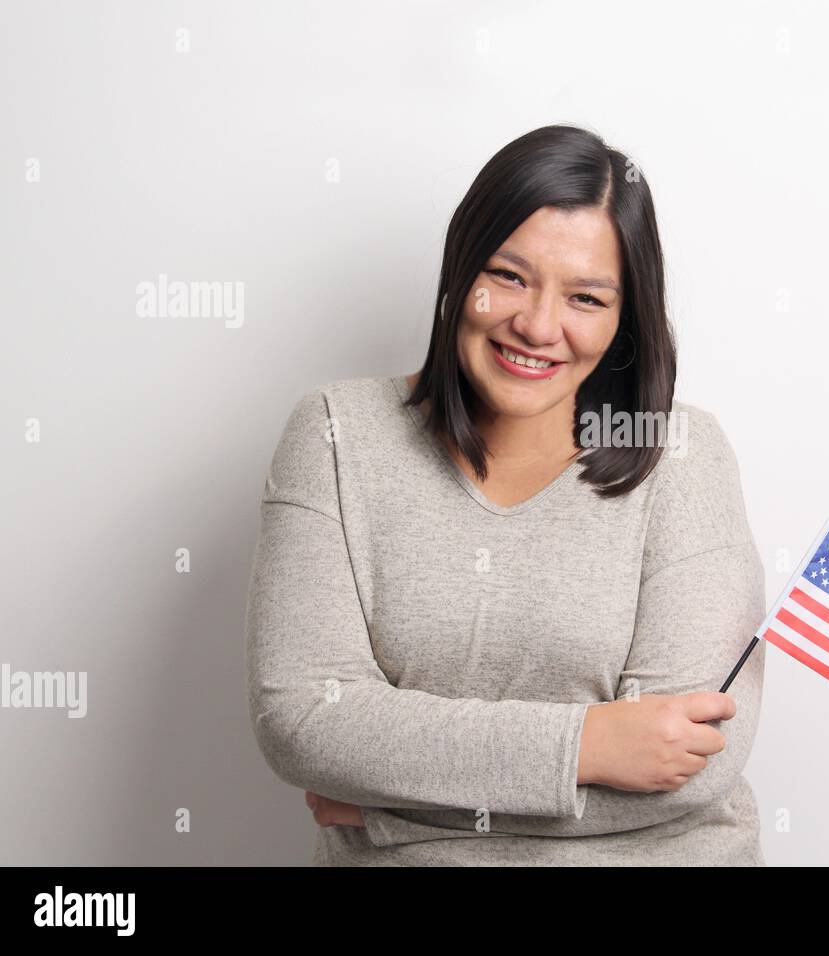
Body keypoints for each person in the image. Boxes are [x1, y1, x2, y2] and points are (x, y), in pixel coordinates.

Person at [244, 124, 767, 865]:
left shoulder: (683, 453)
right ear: (461, 268)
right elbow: (301, 720)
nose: (538, 326)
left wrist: (387, 812)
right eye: (510, 276)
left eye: (586, 297)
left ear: (624, 319)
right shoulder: (334, 437)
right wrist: (589, 743)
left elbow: (690, 768)